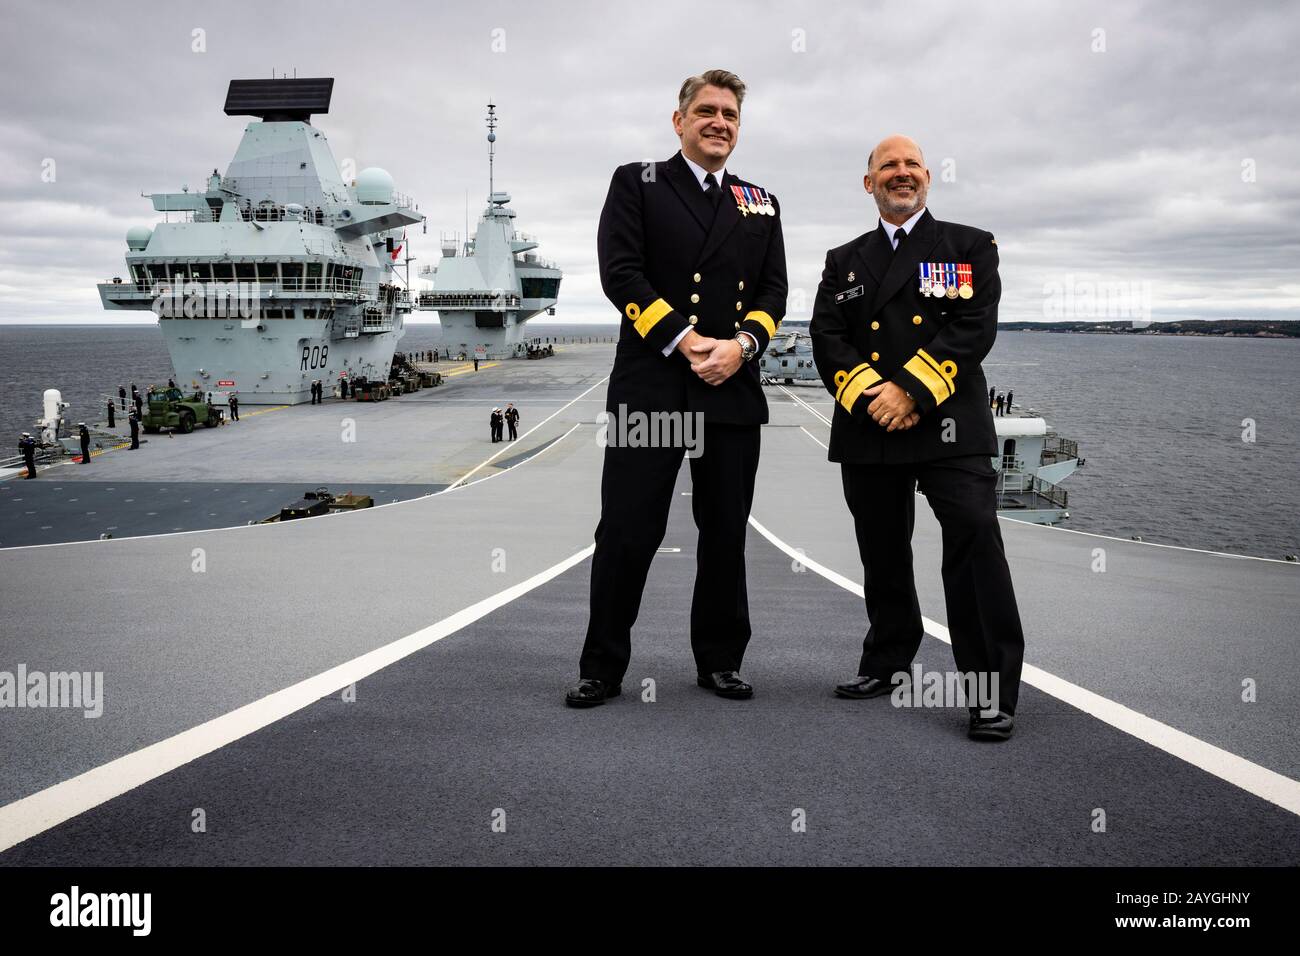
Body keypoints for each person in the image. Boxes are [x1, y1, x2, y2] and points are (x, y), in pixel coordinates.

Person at [567, 69, 787, 708]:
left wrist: (742, 346)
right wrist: (687, 342)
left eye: (731, 115)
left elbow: (773, 290)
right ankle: (602, 666)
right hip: (655, 385)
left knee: (724, 532)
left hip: (730, 389)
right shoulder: (637, 182)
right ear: (680, 120)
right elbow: (621, 272)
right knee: (629, 529)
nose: (720, 122)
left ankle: (720, 660)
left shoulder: (760, 201)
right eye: (708, 111)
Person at [809, 134, 1024, 741]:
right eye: (888, 167)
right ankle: (886, 661)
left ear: (928, 176)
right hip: (871, 421)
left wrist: (912, 392)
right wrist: (876, 397)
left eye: (911, 165)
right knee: (882, 550)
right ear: (869, 182)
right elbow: (829, 338)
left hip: (949, 423)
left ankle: (989, 692)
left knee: (974, 541)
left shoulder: (968, 245)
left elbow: (972, 328)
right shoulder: (842, 259)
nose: (901, 174)